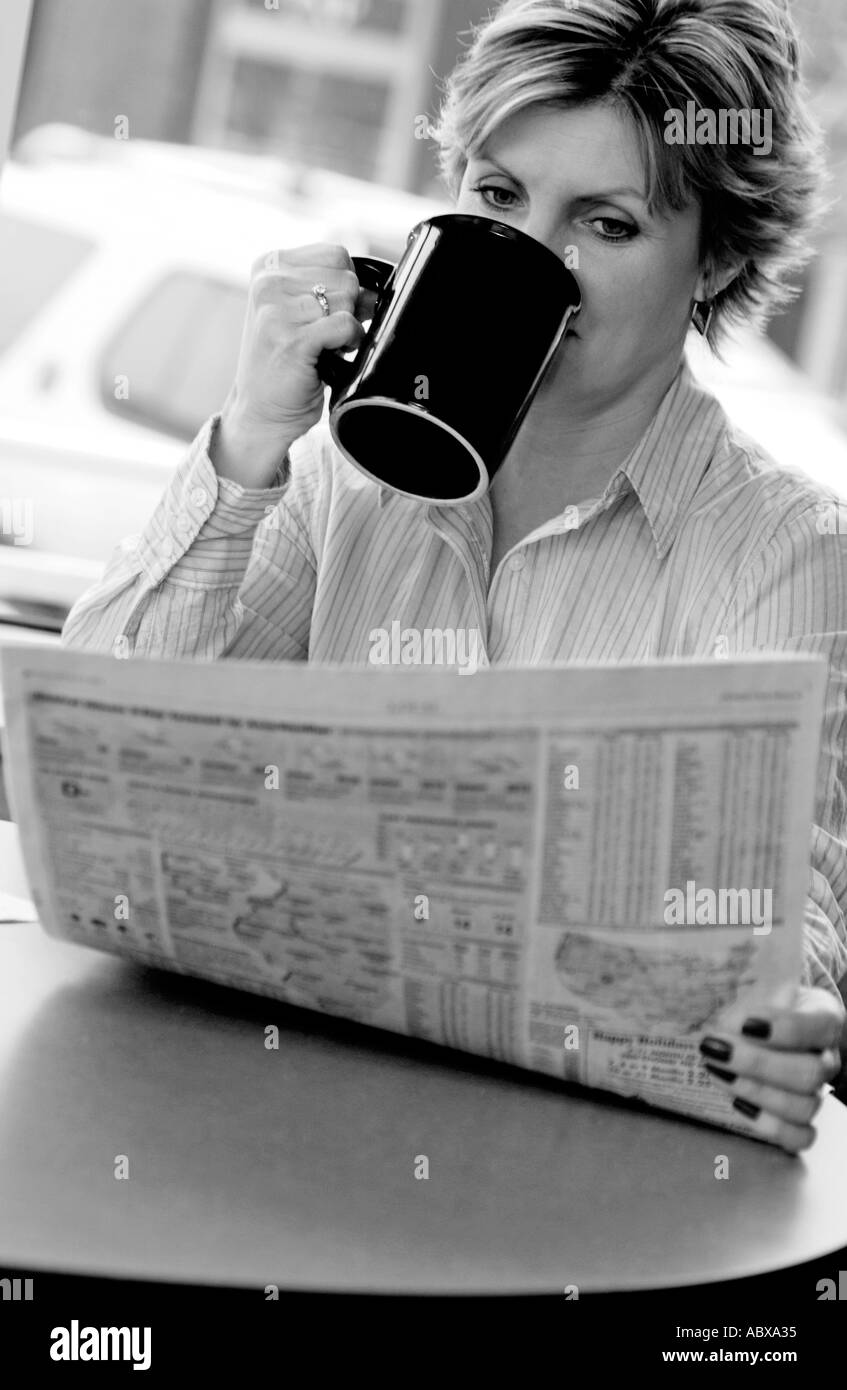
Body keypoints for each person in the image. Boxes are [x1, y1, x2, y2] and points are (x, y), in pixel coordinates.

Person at [63, 0, 847, 1151]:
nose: (537, 257)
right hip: (281, 1111)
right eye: (497, 197)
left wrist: (778, 1011)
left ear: (715, 257)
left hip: (565, 1156)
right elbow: (101, 763)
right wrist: (249, 443)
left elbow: (792, 912)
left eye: (608, 223)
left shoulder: (785, 551)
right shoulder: (342, 473)